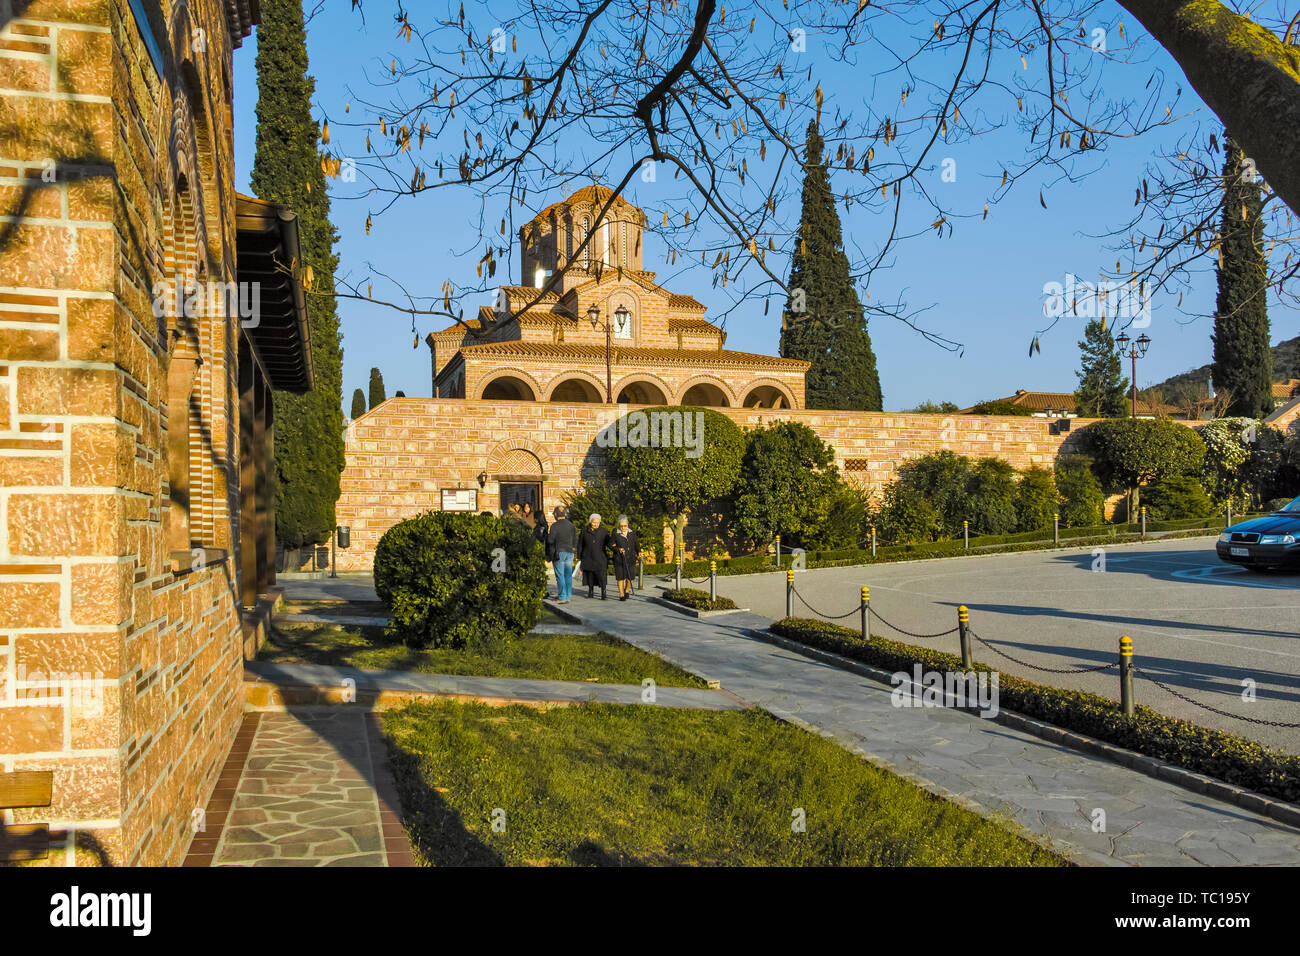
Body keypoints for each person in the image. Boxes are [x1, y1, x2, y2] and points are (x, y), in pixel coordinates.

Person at [577, 512, 612, 600]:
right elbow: (580, 544)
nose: (596, 524)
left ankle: (603, 593)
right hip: (588, 556)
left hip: (600, 557)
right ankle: (590, 591)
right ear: (590, 522)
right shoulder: (584, 530)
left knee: (602, 576)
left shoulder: (603, 531)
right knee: (590, 575)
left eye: (597, 522)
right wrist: (579, 556)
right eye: (594, 522)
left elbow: (609, 543)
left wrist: (615, 546)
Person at [547, 505, 577, 603]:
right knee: (568, 575)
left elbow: (550, 540)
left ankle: (562, 597)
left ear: (556, 514)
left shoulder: (555, 526)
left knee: (560, 575)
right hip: (570, 552)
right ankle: (567, 596)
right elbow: (575, 540)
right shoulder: (571, 525)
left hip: (559, 552)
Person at [610, 515, 640, 601]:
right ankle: (621, 594)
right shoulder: (615, 533)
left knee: (630, 577)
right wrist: (618, 549)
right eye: (621, 526)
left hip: (631, 558)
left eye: (625, 526)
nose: (623, 528)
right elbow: (610, 545)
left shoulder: (632, 533)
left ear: (627, 524)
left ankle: (626, 590)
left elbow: (636, 544)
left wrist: (639, 552)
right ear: (619, 525)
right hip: (619, 559)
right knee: (620, 577)